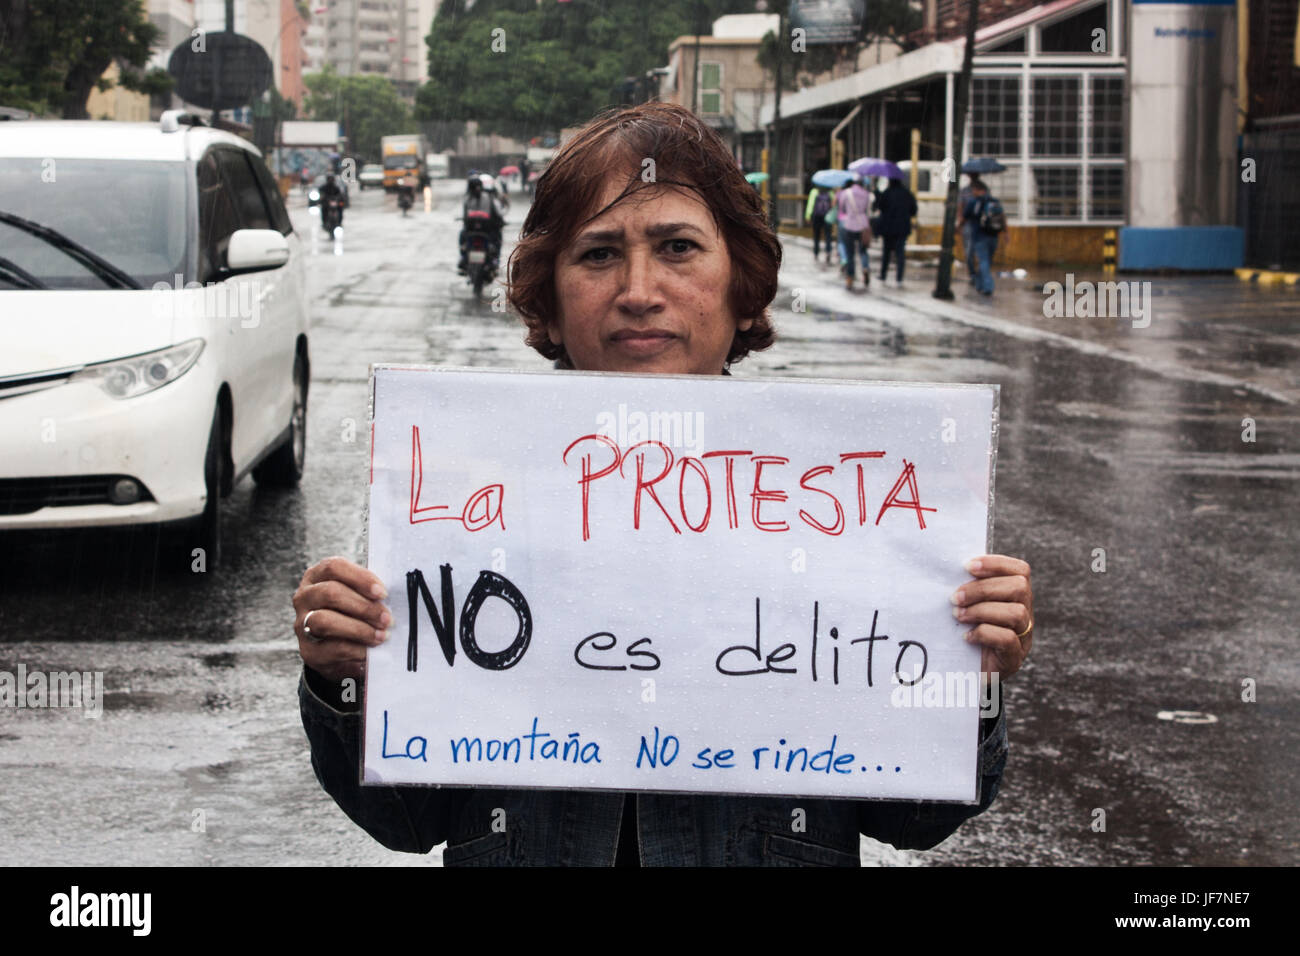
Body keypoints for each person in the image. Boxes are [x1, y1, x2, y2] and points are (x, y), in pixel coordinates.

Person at [292, 101, 1035, 867]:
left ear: (745, 288)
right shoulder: (457, 498)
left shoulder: (848, 504)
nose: (639, 290)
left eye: (678, 247)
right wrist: (342, 678)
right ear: (546, 299)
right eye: (598, 254)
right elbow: (406, 820)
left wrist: (967, 681)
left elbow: (916, 821)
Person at [872, 177, 918, 287]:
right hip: (902, 227)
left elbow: (879, 206)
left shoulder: (887, 193)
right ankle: (899, 278)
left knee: (886, 253)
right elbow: (914, 210)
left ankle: (883, 275)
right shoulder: (907, 194)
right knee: (900, 253)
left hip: (888, 228)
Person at [457, 174, 506, 274]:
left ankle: (464, 258)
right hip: (484, 230)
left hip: (475, 230)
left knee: (463, 237)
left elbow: (465, 215)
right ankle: (494, 260)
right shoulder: (489, 198)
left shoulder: (468, 198)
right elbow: (499, 212)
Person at [963, 180, 1001, 297]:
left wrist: (958, 228)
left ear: (979, 190)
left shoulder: (973, 202)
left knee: (983, 261)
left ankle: (988, 286)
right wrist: (1006, 232)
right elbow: (1002, 217)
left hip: (979, 236)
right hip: (994, 236)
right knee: (986, 262)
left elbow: (965, 217)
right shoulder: (994, 202)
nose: (972, 192)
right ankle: (980, 285)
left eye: (974, 190)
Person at [836, 174, 873, 290]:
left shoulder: (846, 193)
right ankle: (865, 268)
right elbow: (866, 209)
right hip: (863, 225)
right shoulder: (866, 194)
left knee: (850, 254)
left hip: (850, 224)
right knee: (863, 251)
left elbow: (842, 208)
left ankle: (850, 278)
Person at [805, 182, 836, 265]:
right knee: (828, 235)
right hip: (827, 217)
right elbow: (833, 205)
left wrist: (808, 216)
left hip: (817, 217)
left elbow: (810, 205)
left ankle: (816, 252)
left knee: (816, 236)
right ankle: (828, 252)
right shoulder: (830, 193)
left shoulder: (814, 191)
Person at [957, 175, 980, 283]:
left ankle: (978, 274)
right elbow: (960, 208)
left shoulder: (983, 190)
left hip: (979, 225)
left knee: (979, 251)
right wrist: (960, 223)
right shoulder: (964, 191)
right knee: (969, 251)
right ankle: (972, 273)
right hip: (967, 224)